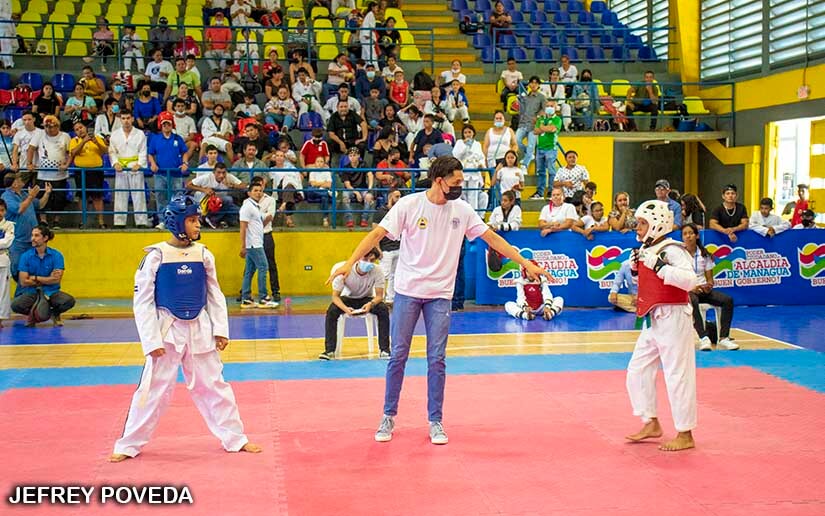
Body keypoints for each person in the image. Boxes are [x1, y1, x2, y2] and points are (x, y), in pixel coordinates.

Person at [328, 156, 551, 445]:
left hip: (440, 297)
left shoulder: (463, 210)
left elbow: (492, 239)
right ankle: (388, 415)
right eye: (456, 182)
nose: (460, 187)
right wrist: (349, 262)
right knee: (398, 356)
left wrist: (525, 262)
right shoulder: (409, 205)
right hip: (408, 292)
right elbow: (377, 234)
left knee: (437, 360)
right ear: (439, 180)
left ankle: (435, 421)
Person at [109, 194, 261, 462]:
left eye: (197, 220)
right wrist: (150, 340)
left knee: (214, 384)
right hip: (167, 329)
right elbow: (142, 301)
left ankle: (235, 438)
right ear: (176, 222)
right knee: (153, 388)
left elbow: (214, 294)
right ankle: (128, 444)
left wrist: (221, 330)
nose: (197, 225)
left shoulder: (203, 255)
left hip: (200, 327)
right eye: (192, 220)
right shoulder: (155, 256)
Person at [625, 199, 698, 452]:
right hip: (653, 318)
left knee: (677, 374)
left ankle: (685, 433)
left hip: (674, 316)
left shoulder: (672, 250)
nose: (638, 227)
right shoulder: (649, 248)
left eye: (643, 223)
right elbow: (651, 282)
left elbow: (691, 281)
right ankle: (651, 421)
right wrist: (637, 270)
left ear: (657, 224)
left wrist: (658, 266)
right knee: (637, 369)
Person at [320, 248, 391, 360]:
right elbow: (335, 297)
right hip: (347, 298)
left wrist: (370, 304)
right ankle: (329, 351)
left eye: (372, 260)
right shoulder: (345, 270)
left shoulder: (378, 271)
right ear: (358, 258)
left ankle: (385, 350)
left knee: (383, 309)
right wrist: (346, 309)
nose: (368, 262)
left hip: (366, 299)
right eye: (365, 258)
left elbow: (379, 296)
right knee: (332, 311)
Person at [681, 222, 738, 352]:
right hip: (687, 291)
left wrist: (708, 286)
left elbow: (710, 279)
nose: (688, 236)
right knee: (692, 300)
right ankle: (703, 338)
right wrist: (691, 288)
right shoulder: (679, 254)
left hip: (702, 291)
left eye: (691, 233)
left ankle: (723, 338)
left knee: (727, 300)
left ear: (696, 236)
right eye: (685, 234)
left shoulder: (704, 254)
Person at [12, 224, 75, 327]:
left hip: (52, 292)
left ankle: (55, 314)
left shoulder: (56, 255)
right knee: (15, 305)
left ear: (45, 238)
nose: (33, 238)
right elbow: (23, 281)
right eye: (32, 235)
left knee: (69, 301)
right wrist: (48, 279)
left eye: (36, 236)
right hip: (32, 292)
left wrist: (35, 278)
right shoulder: (25, 256)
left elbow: (56, 280)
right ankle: (34, 315)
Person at [2, 173, 50, 280]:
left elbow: (40, 205)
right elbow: (19, 209)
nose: (22, 181)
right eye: (19, 179)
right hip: (17, 241)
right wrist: (31, 196)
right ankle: (22, 291)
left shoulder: (24, 194)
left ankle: (28, 292)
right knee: (16, 268)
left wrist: (47, 193)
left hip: (32, 240)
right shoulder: (6, 197)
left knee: (33, 267)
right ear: (14, 184)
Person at [239, 182, 278, 307]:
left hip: (255, 243)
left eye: (260, 190)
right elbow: (243, 227)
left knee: (249, 271)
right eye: (255, 190)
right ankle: (263, 297)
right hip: (254, 244)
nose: (258, 193)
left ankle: (246, 298)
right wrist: (243, 246)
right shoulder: (247, 207)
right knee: (263, 267)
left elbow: (264, 218)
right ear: (249, 193)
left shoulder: (255, 206)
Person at [110, 112, 151, 228]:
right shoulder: (115, 134)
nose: (126, 121)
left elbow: (143, 150)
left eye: (128, 118)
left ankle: (141, 221)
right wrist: (115, 163)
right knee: (120, 195)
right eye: (123, 118)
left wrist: (140, 164)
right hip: (121, 167)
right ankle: (119, 222)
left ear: (132, 119)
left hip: (135, 166)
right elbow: (112, 151)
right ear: (120, 120)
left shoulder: (140, 134)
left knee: (139, 194)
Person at [68, 120, 108, 229]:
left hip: (96, 171)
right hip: (81, 172)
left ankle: (101, 221)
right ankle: (83, 220)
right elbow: (73, 152)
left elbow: (105, 151)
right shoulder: (74, 140)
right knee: (82, 197)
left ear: (85, 128)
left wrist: (97, 142)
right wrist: (83, 142)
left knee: (97, 197)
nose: (79, 130)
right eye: (76, 129)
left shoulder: (97, 138)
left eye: (81, 127)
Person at [186, 162, 246, 228]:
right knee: (228, 199)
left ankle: (215, 221)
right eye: (219, 172)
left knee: (239, 211)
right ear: (214, 172)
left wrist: (232, 185)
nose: (221, 175)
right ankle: (212, 220)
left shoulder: (228, 176)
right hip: (206, 205)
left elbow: (243, 186)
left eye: (223, 172)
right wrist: (204, 190)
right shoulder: (207, 177)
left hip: (221, 205)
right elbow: (188, 185)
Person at [249, 176, 281, 302]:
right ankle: (245, 291)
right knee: (250, 265)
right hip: (253, 236)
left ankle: (275, 290)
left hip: (266, 234)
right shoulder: (248, 202)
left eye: (261, 186)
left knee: (271, 263)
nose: (259, 190)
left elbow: (270, 216)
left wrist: (256, 226)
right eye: (256, 187)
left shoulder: (270, 200)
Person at [372, 187, 401, 304]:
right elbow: (374, 233)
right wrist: (378, 249)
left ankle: (390, 299)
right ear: (390, 197)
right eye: (397, 196)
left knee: (394, 275)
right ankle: (377, 298)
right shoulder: (381, 212)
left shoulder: (400, 212)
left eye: (400, 196)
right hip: (386, 250)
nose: (399, 199)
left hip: (398, 248)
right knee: (383, 275)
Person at [452, 124, 487, 211]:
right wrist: (465, 145)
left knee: (473, 194)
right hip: (462, 171)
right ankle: (461, 212)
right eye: (465, 132)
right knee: (462, 194)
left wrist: (481, 164)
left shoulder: (477, 144)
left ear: (473, 133)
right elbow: (455, 155)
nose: (467, 134)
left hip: (474, 172)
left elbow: (481, 157)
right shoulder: (459, 142)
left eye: (469, 132)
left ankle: (472, 213)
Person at [532, 99, 562, 199]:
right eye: (547, 106)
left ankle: (551, 191)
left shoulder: (557, 119)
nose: (549, 108)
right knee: (540, 171)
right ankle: (539, 192)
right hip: (540, 148)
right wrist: (545, 128)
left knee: (552, 171)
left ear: (555, 108)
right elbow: (535, 131)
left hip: (550, 148)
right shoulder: (541, 118)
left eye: (551, 106)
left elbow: (552, 129)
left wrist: (542, 127)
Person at [340, 148, 375, 228]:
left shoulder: (363, 164)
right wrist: (356, 192)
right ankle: (350, 220)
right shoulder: (346, 167)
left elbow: (370, 175)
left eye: (354, 155)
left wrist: (369, 188)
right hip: (350, 190)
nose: (352, 157)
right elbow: (347, 184)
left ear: (359, 156)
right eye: (350, 155)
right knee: (345, 197)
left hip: (363, 188)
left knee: (369, 197)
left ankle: (364, 219)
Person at [515, 76, 546, 169]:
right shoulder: (525, 96)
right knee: (517, 141)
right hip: (523, 123)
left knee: (531, 145)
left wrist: (538, 117)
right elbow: (521, 110)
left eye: (536, 83)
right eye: (532, 83)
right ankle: (528, 154)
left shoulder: (542, 97)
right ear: (529, 84)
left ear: (539, 85)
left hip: (534, 125)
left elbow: (544, 110)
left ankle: (525, 165)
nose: (533, 85)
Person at [0, 199, 12, 327]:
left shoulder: (9, 225)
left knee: (2, 290)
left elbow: (7, 242)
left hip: (2, 259)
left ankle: (1, 318)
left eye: (2, 210)